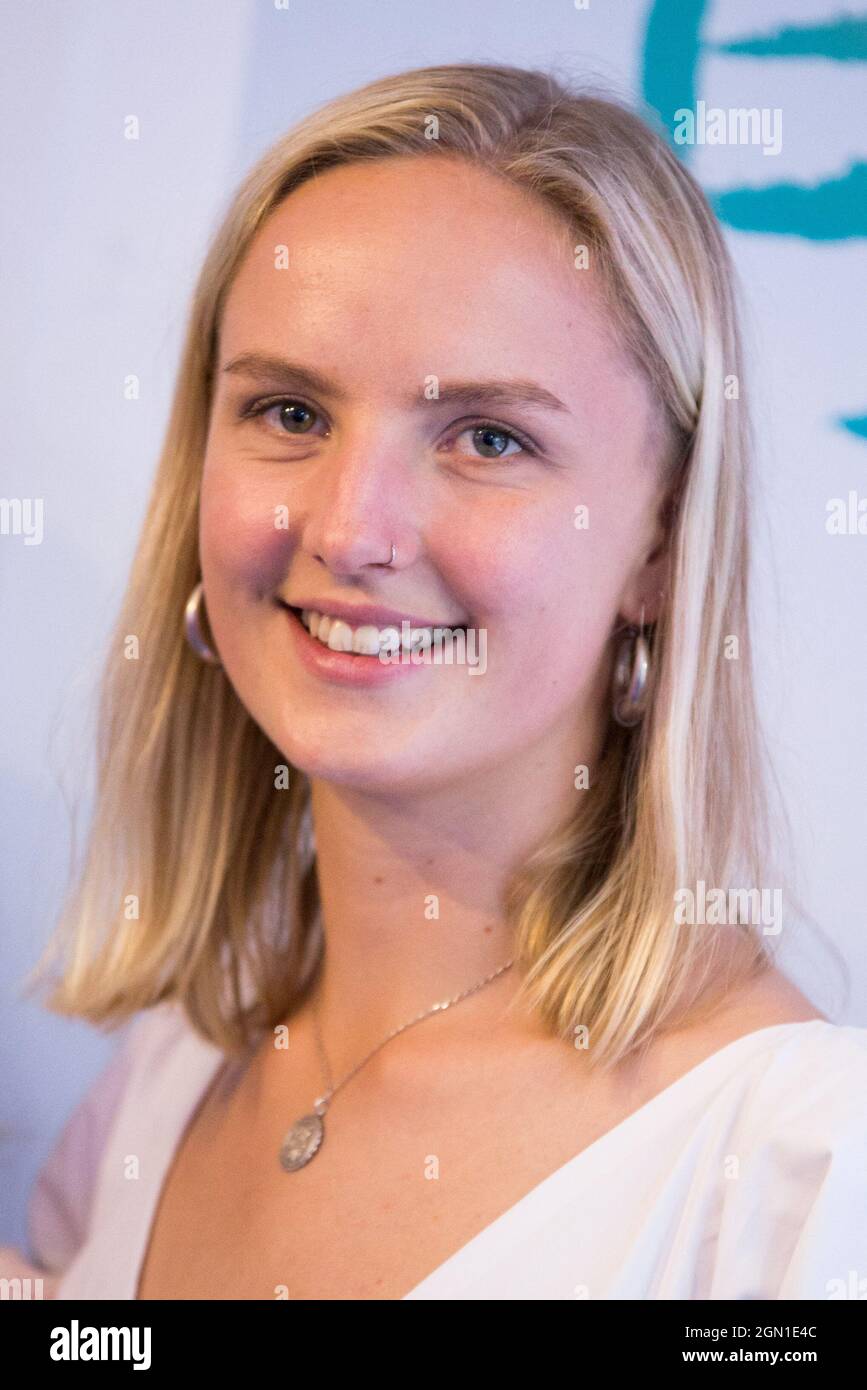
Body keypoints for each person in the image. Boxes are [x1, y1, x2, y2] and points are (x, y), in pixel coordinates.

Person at [5, 62, 866, 1301]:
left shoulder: (802, 1181)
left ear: (663, 548)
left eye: (489, 438)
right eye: (291, 413)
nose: (352, 530)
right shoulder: (165, 1081)